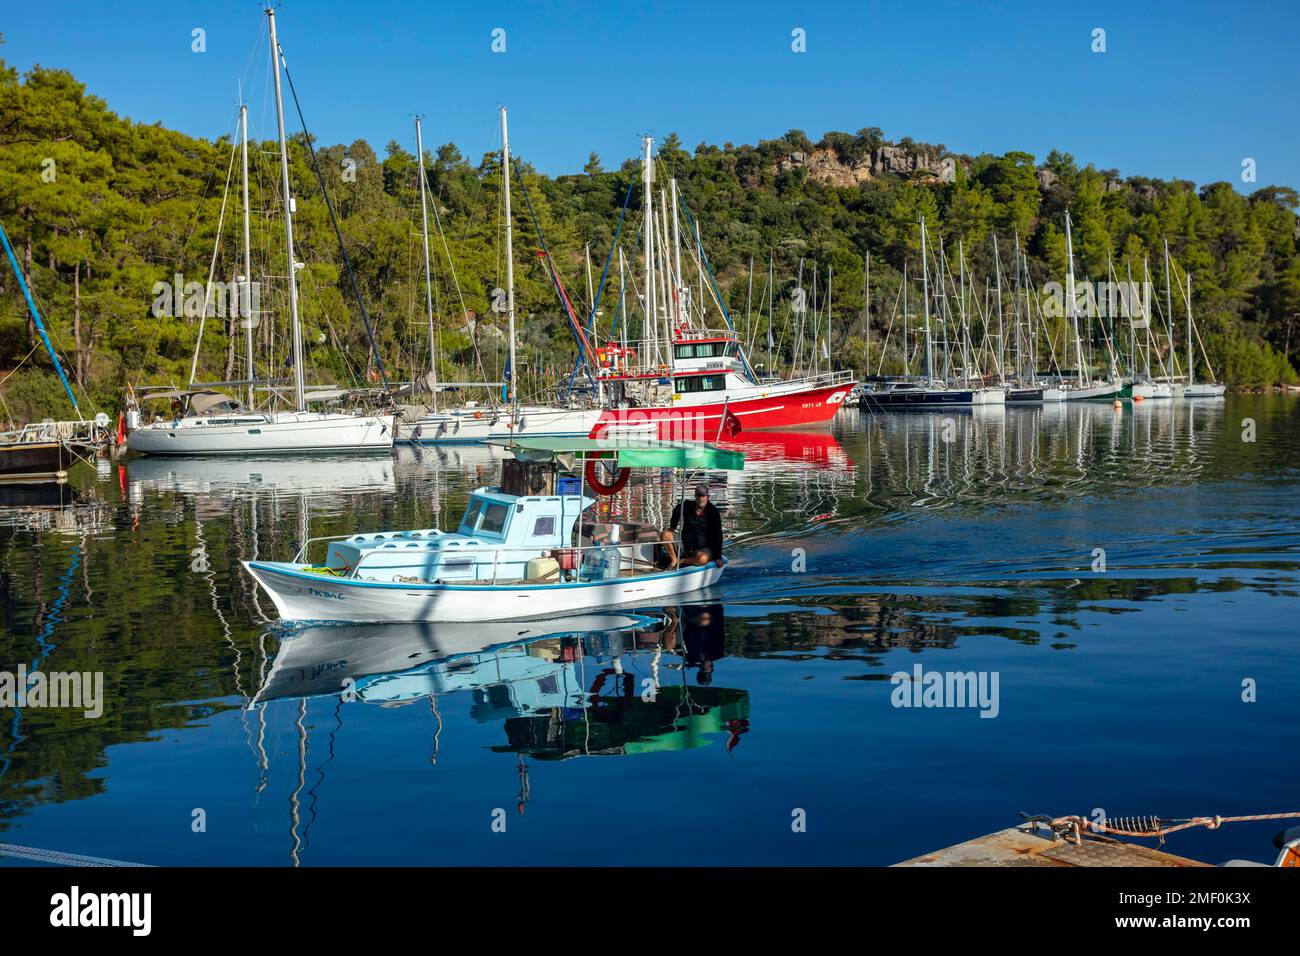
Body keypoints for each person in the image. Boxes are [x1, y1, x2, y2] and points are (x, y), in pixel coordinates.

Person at [659, 482, 724, 568]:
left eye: (703, 496)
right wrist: (673, 526)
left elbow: (718, 535)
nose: (701, 499)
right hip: (685, 545)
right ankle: (674, 559)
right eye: (698, 496)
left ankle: (681, 561)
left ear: (708, 497)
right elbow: (677, 510)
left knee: (702, 559)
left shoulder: (713, 512)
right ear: (695, 496)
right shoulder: (687, 505)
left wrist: (718, 556)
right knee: (665, 534)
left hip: (702, 550)